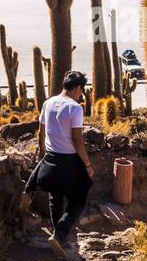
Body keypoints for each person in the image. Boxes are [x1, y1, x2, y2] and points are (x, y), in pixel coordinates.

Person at [24, 71, 94, 251]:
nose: (81, 94)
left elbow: (41, 132)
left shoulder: (48, 103)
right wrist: (87, 164)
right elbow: (78, 140)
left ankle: (58, 239)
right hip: (69, 160)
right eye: (81, 90)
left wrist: (42, 153)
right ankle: (60, 233)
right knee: (79, 197)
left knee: (55, 197)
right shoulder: (75, 108)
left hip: (51, 156)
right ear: (78, 87)